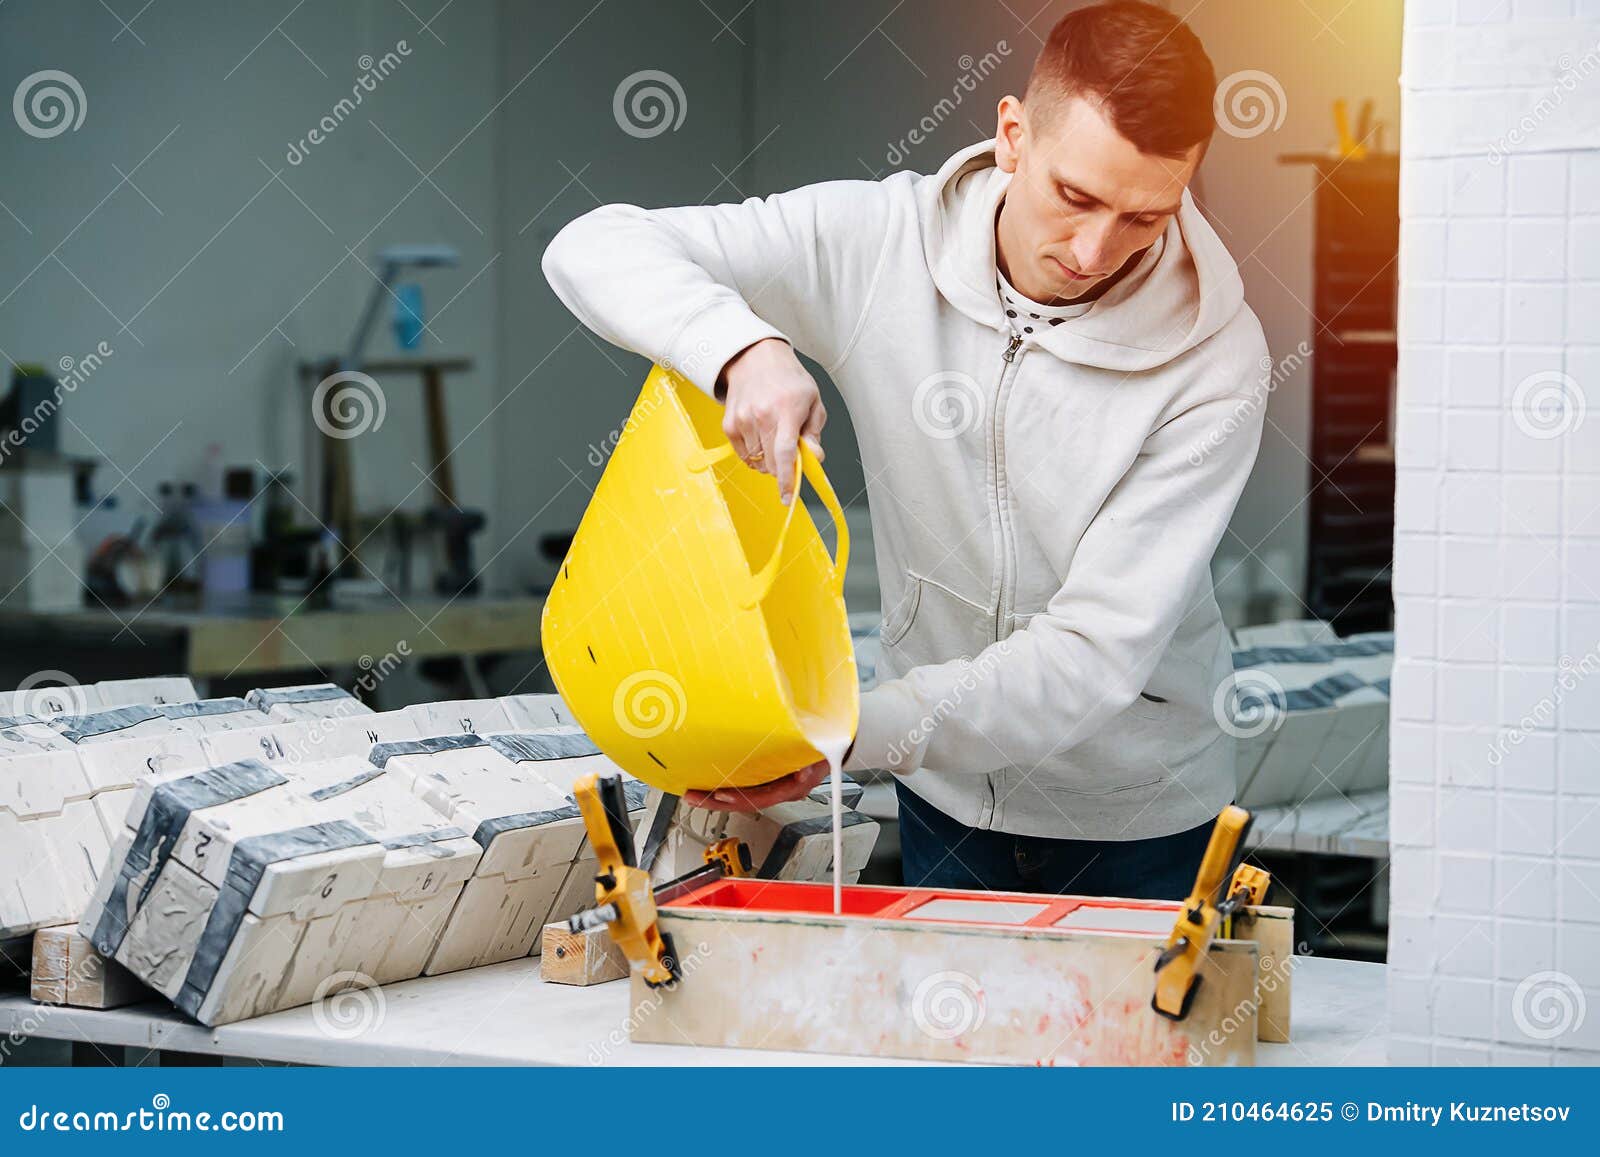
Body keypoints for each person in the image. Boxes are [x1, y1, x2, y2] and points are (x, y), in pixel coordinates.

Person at [542, 0, 1267, 901]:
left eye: (1144, 218)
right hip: (943, 797)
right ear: (1012, 135)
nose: (1093, 251)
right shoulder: (876, 244)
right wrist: (741, 348)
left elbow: (1089, 655)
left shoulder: (1216, 359)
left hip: (1140, 814)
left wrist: (847, 731)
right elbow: (592, 245)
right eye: (1074, 196)